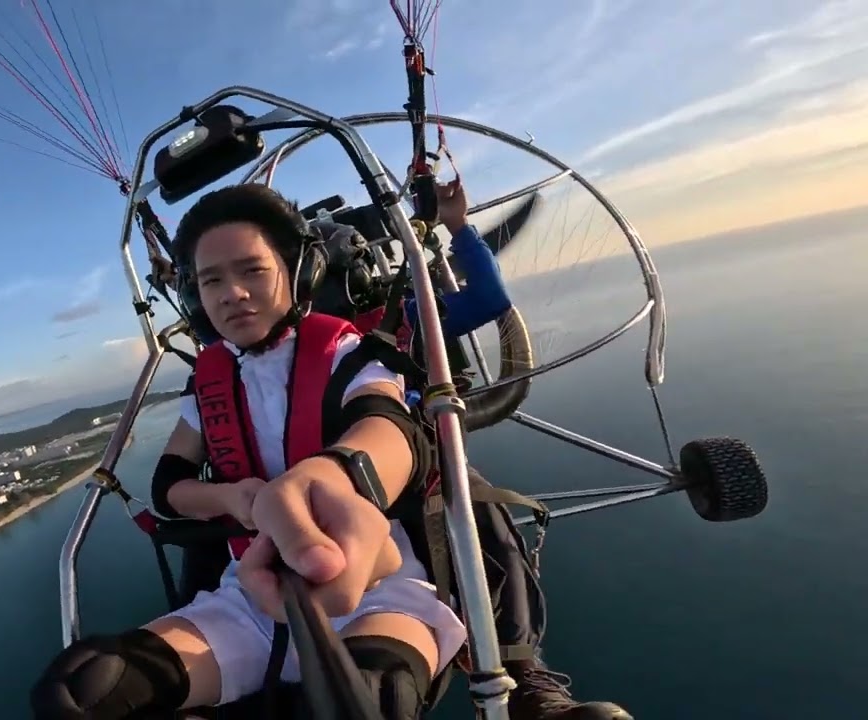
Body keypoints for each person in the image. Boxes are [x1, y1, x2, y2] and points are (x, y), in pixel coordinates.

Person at [31, 182, 630, 720]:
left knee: (374, 690)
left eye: (253, 271)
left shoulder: (356, 352)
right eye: (211, 280)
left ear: (298, 272)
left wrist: (333, 481)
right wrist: (237, 498)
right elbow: (169, 485)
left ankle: (523, 674)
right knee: (85, 691)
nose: (233, 293)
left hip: (380, 577)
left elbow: (387, 427)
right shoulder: (211, 382)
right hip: (250, 592)